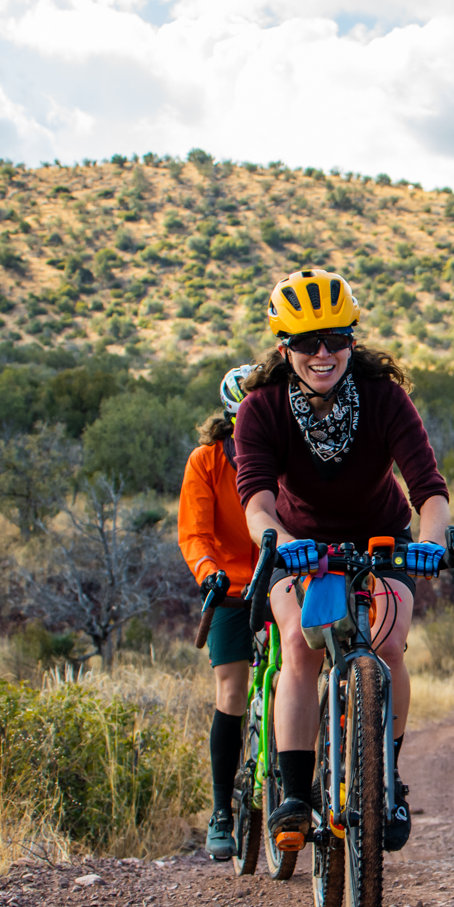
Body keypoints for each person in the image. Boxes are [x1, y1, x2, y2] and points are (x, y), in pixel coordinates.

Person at [232, 268, 451, 854]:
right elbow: (255, 500)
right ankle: (297, 795)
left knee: (390, 644)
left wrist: (430, 542)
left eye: (335, 339)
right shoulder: (261, 407)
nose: (322, 353)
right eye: (307, 343)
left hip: (381, 539)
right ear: (286, 349)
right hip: (298, 544)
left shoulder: (384, 397)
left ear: (352, 339)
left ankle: (387, 780)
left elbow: (428, 488)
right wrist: (278, 541)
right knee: (301, 645)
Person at [178, 365, 259, 860]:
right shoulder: (206, 461)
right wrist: (208, 570)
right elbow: (195, 532)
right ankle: (221, 811)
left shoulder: (288, 452)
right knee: (232, 689)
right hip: (229, 586)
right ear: (230, 420)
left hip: (284, 580)